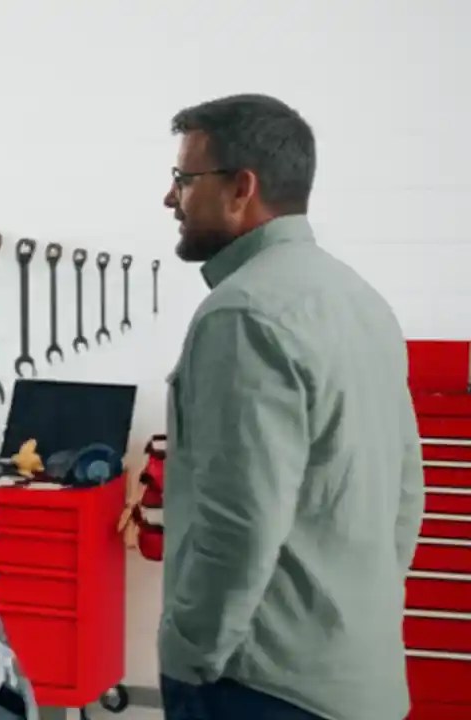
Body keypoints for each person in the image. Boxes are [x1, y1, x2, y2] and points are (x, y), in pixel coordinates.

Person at [155, 93, 423, 720]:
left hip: (264, 689)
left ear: (240, 188)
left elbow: (239, 521)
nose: (170, 199)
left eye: (183, 179)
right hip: (361, 679)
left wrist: (191, 652)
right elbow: (408, 490)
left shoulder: (243, 313)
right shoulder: (360, 299)